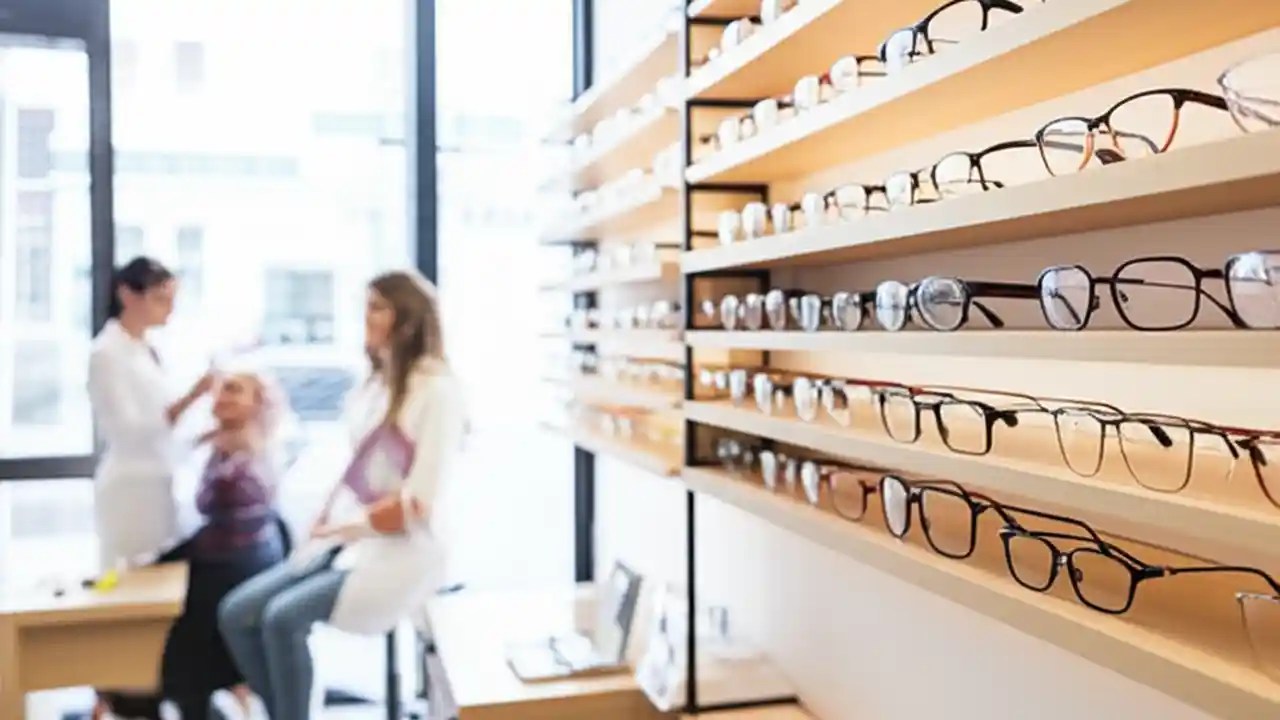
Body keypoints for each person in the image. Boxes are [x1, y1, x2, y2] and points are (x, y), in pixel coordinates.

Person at [219, 270, 467, 720]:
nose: (365, 319)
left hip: (404, 550)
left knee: (282, 619)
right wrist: (326, 521)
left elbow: (416, 505)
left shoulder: (438, 392)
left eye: (376, 308)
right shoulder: (376, 386)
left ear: (407, 318)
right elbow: (356, 470)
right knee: (237, 613)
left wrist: (343, 527)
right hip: (353, 539)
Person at [87, 256, 214, 720]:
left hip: (157, 485)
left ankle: (152, 696)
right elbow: (132, 429)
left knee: (160, 604)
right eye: (161, 299)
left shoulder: (145, 350)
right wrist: (194, 396)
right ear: (128, 294)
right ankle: (118, 700)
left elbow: (164, 437)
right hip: (130, 491)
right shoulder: (106, 353)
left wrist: (207, 435)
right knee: (126, 597)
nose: (169, 311)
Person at [161, 370, 291, 720]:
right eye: (219, 391)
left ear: (257, 403)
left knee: (177, 647)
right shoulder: (220, 444)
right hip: (226, 562)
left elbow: (226, 525)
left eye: (235, 391)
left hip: (234, 569)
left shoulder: (249, 448)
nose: (223, 398)